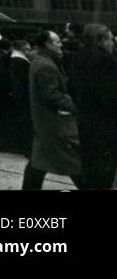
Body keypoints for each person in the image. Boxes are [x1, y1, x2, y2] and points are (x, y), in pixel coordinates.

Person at [22, 29, 83, 190]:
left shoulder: (40, 60)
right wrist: (74, 105)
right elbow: (52, 95)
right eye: (56, 42)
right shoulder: (45, 66)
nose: (60, 45)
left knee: (37, 165)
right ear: (47, 44)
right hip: (54, 123)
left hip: (44, 123)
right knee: (74, 163)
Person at [70, 24, 117, 190]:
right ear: (102, 40)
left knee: (89, 164)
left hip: (84, 120)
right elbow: (110, 96)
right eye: (111, 39)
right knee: (105, 167)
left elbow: (72, 87)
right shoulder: (106, 60)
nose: (113, 43)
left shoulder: (77, 56)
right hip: (105, 124)